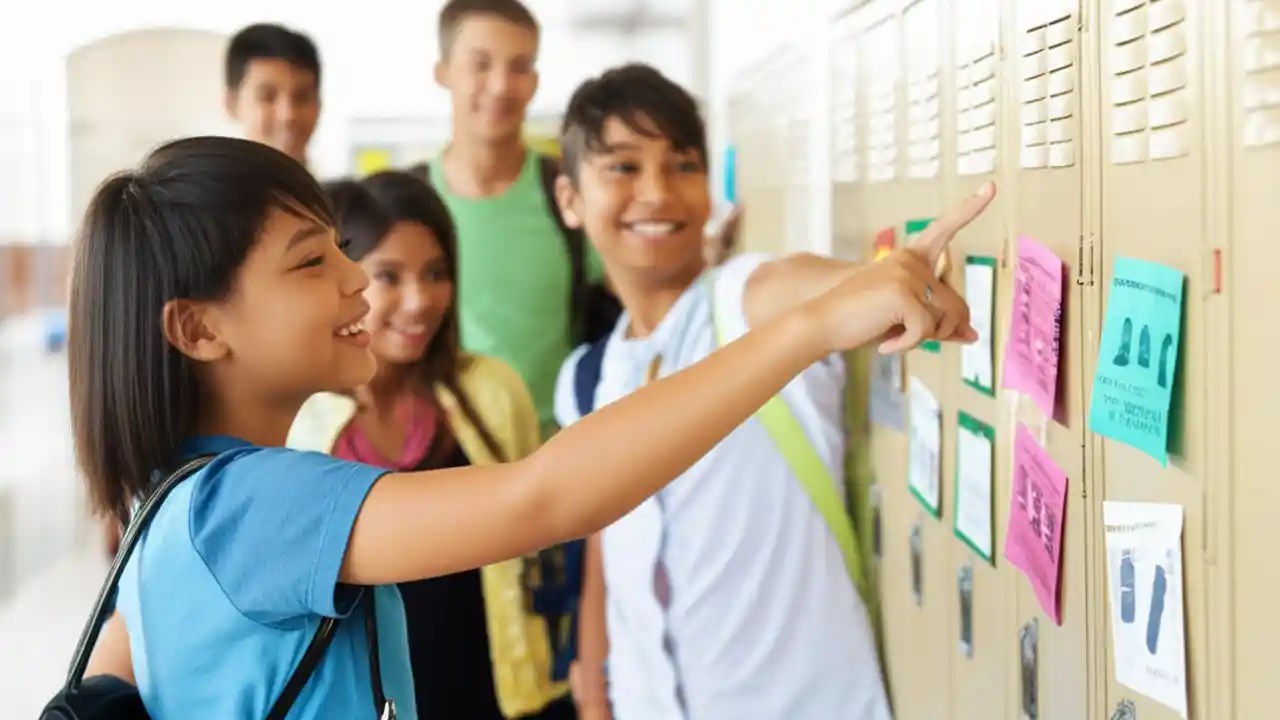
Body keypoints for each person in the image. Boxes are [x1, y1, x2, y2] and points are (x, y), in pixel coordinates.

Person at [71, 135, 987, 718]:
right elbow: (543, 496)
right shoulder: (255, 504)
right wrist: (816, 327)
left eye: (340, 248)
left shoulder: (174, 511)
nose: (359, 283)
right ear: (199, 328)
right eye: (312, 262)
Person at [551, 64, 994, 720]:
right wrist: (596, 696)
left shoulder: (743, 299)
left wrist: (885, 280)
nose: (657, 192)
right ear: (569, 198)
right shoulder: (587, 377)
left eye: (683, 165)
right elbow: (599, 543)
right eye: (622, 167)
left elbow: (808, 289)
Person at [287, 171, 574, 719]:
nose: (420, 301)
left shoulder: (491, 390)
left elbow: (535, 542)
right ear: (342, 280)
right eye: (389, 276)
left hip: (504, 697)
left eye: (436, 273)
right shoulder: (300, 420)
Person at [422, 0, 618, 440]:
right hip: (444, 470)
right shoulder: (411, 205)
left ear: (535, 80)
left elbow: (642, 297)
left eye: (519, 66)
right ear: (443, 72)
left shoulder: (570, 194)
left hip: (559, 463)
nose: (500, 85)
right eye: (480, 64)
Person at [224, 23, 322, 166]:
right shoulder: (205, 187)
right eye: (267, 96)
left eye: (302, 97)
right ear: (231, 103)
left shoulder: (336, 188)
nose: (288, 115)